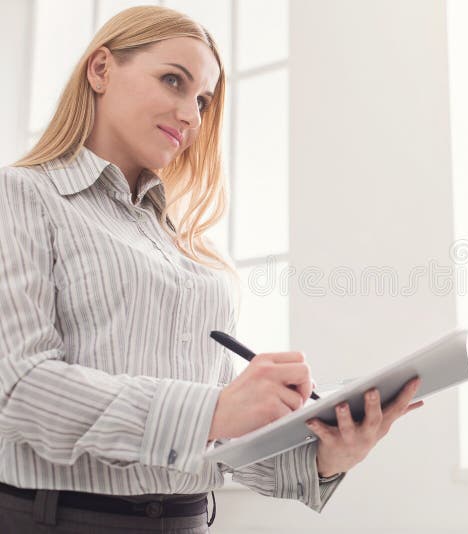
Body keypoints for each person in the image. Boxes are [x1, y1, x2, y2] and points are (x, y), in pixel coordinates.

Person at [0, 6, 423, 533]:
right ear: (101, 70)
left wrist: (326, 456)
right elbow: (17, 390)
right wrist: (213, 409)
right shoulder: (21, 195)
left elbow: (216, 441)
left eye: (202, 99)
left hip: (191, 518)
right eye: (172, 81)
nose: (191, 115)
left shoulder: (178, 244)